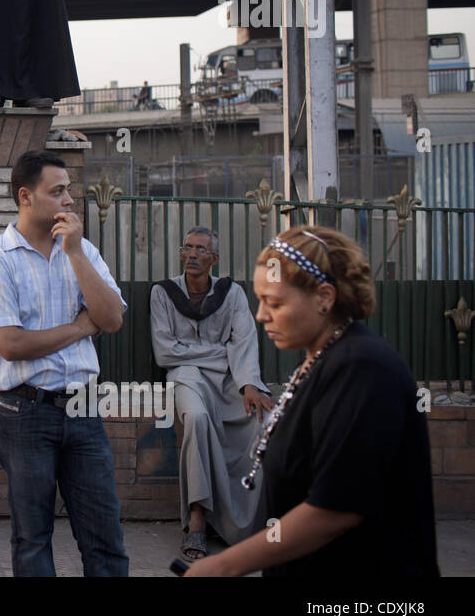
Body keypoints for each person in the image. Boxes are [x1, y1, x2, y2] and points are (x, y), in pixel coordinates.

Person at [186, 226, 439, 577]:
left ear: (324, 296)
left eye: (275, 302)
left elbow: (337, 507)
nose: (261, 315)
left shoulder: (360, 368)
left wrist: (225, 565)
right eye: (260, 301)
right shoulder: (318, 362)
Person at [0, 150, 129, 576]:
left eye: (69, 190)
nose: (69, 200)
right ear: (26, 196)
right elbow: (10, 343)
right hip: (23, 413)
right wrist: (80, 329)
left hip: (83, 410)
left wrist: (75, 253)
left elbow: (112, 319)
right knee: (33, 539)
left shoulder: (84, 251)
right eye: (57, 191)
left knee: (105, 536)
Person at [150, 226, 272, 561]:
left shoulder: (231, 294)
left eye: (201, 250)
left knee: (264, 419)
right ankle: (198, 522)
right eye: (187, 247)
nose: (192, 254)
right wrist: (219, 353)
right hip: (186, 377)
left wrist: (249, 383)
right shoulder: (162, 293)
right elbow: (165, 353)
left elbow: (243, 340)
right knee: (198, 420)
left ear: (214, 258)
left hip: (230, 379)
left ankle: (248, 523)